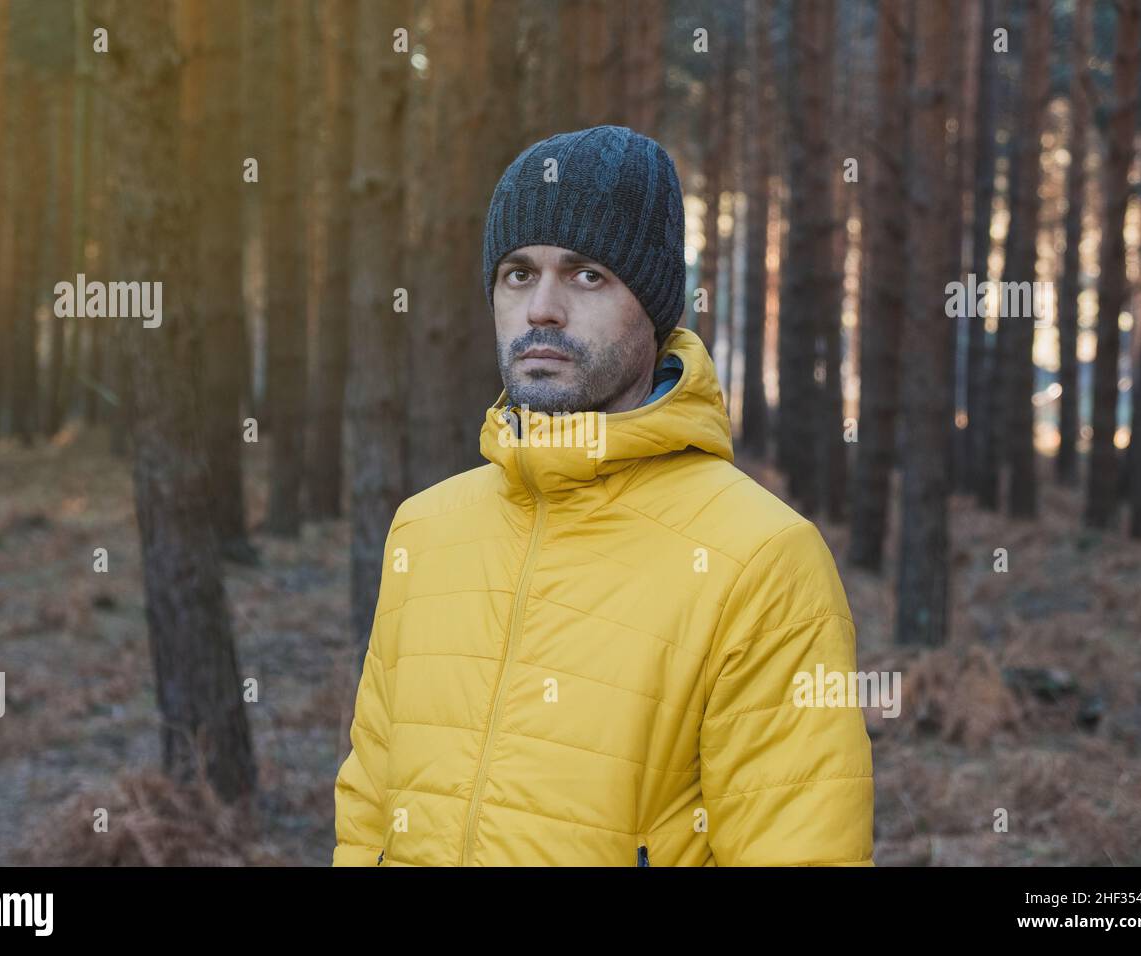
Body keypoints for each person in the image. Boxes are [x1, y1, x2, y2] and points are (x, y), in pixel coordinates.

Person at [332, 124, 873, 866]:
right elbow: (368, 809)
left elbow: (802, 852)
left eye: (587, 274)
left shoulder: (762, 559)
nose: (542, 309)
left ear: (653, 305)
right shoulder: (425, 530)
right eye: (518, 273)